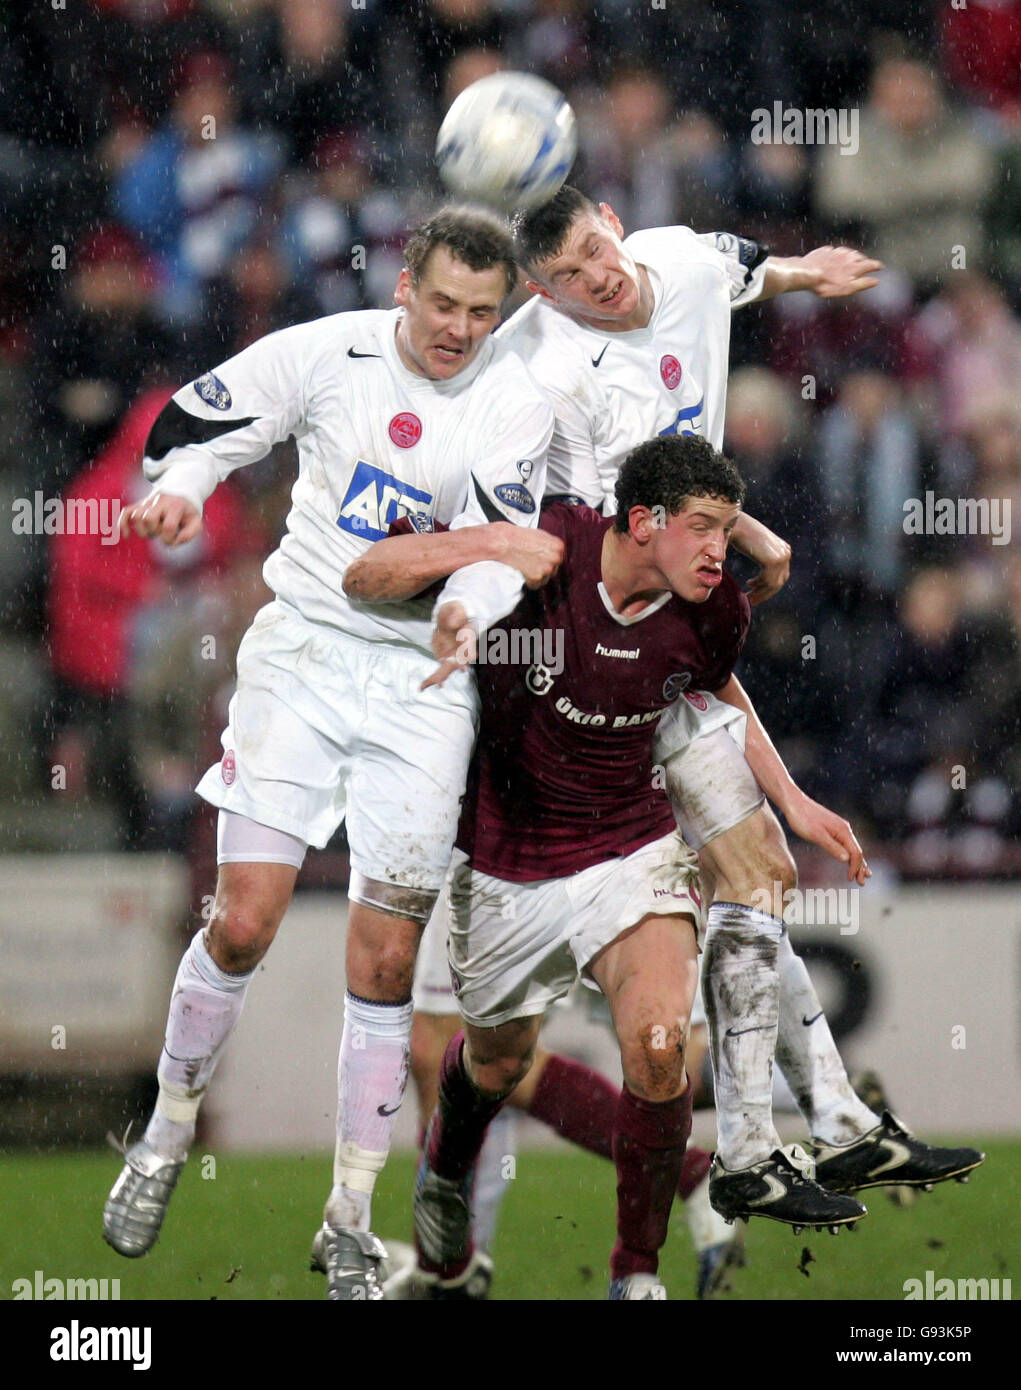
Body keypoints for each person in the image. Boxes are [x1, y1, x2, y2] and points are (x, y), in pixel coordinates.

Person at [398, 186, 982, 1258]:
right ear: (541, 292)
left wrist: (811, 269)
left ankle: (795, 1139)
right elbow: (614, 515)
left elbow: (746, 265)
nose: (594, 280)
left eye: (593, 252)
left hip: (666, 630)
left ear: (615, 220)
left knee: (756, 871)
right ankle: (482, 1219)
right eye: (565, 278)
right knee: (485, 1049)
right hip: (564, 670)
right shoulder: (548, 372)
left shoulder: (686, 260)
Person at [101, 206, 563, 1302]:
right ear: (405, 286)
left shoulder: (511, 400)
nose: (458, 329)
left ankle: (348, 1215)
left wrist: (470, 611)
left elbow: (505, 546)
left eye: (481, 314)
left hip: (423, 684)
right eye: (443, 303)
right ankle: (163, 1138)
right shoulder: (326, 350)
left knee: (388, 963)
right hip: (304, 654)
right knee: (246, 919)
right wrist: (177, 490)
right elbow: (202, 419)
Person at [414, 436, 866, 1301]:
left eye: (727, 530)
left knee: (659, 1054)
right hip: (506, 866)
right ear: (639, 521)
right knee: (496, 1064)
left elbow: (715, 690)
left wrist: (791, 803)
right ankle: (447, 1159)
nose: (716, 549)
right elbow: (425, 567)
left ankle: (634, 1274)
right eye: (701, 528)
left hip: (630, 845)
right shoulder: (542, 551)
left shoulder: (715, 608)